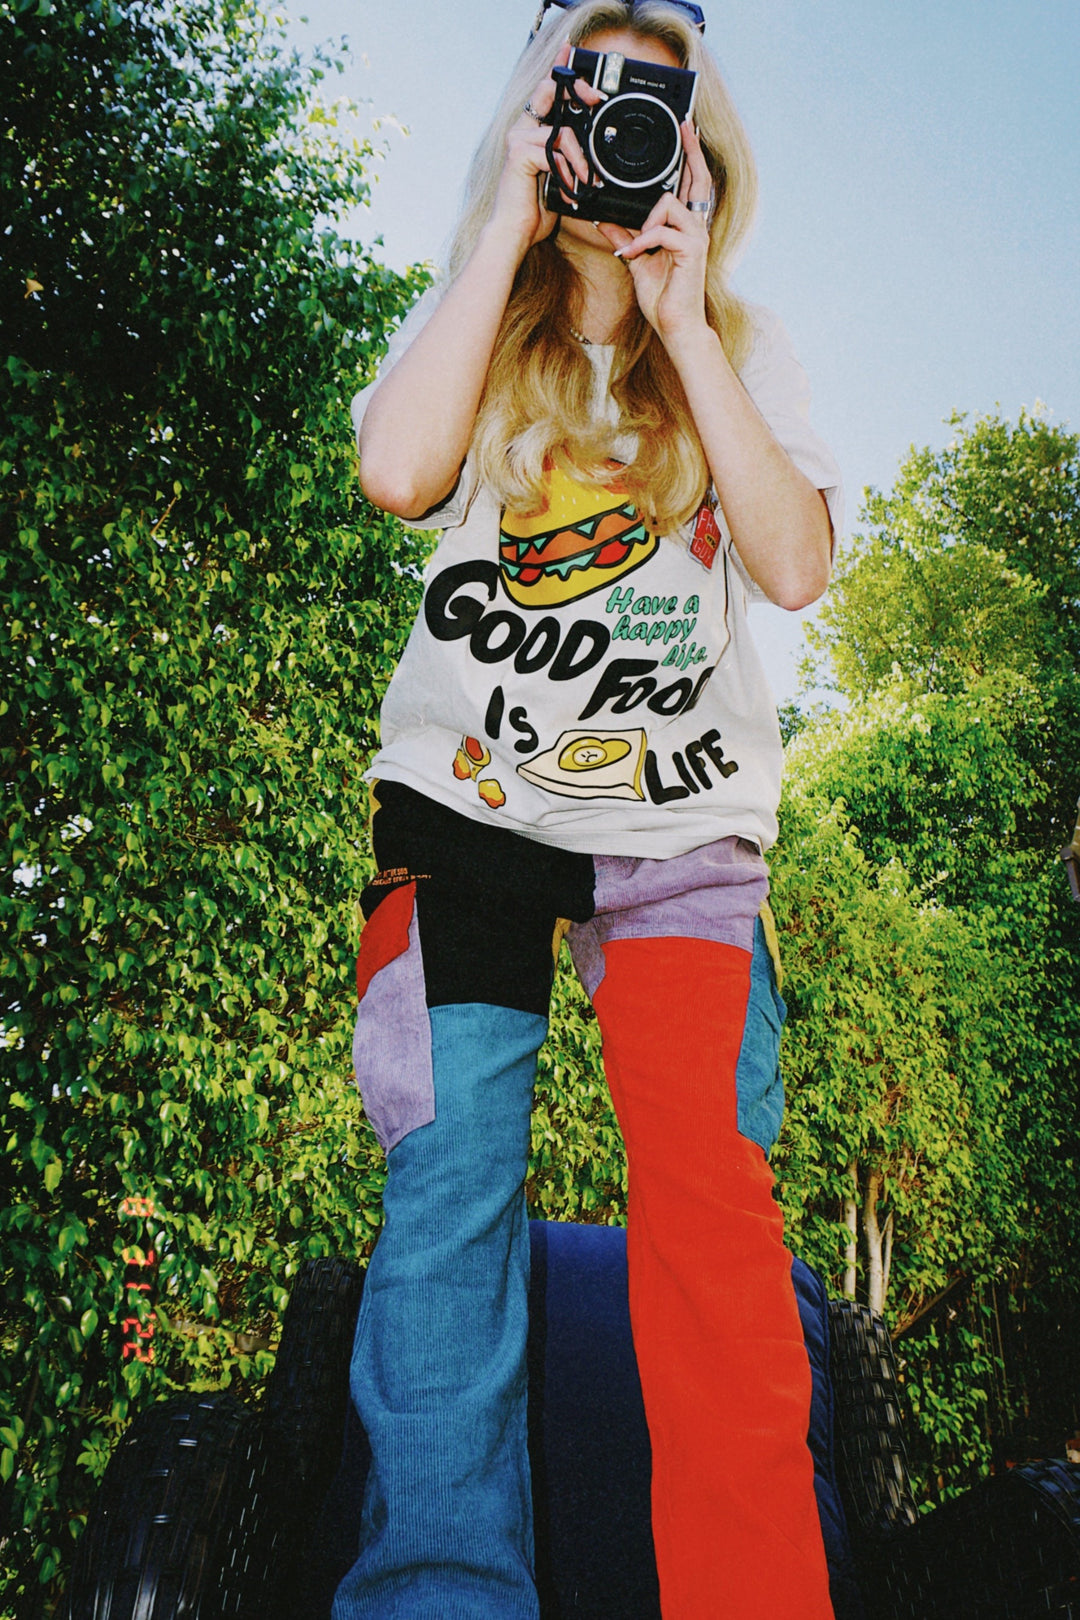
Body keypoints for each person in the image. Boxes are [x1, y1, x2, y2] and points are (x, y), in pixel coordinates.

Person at [334, 3, 842, 1616]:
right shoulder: (477, 320)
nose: (621, 129)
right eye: (588, 93)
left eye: (654, 105)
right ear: (539, 113)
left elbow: (795, 565)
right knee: (449, 1201)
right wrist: (502, 224)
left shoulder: (744, 345)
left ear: (699, 140)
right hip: (467, 811)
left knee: (711, 1212)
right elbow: (398, 473)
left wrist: (685, 321)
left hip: (680, 832)